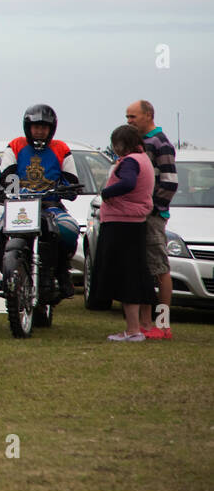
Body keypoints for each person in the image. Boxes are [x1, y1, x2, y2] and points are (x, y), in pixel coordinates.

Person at [0, 103, 82, 330]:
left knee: (70, 229)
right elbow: (7, 177)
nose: (40, 131)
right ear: (28, 127)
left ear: (52, 129)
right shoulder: (15, 146)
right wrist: (16, 192)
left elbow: (72, 182)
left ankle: (61, 271)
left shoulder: (62, 149)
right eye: (36, 127)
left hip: (50, 207)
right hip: (18, 208)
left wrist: (67, 190)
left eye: (44, 127)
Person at [125, 100, 179, 339]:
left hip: (153, 216)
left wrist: (152, 209)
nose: (129, 121)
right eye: (127, 117)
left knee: (160, 268)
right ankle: (146, 324)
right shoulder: (139, 143)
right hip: (138, 215)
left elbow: (169, 182)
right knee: (143, 269)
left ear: (148, 115)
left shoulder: (161, 143)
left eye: (133, 117)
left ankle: (164, 324)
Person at [97, 124, 155, 341]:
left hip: (121, 223)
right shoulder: (144, 159)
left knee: (126, 276)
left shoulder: (130, 161)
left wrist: (106, 193)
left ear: (121, 144)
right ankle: (145, 325)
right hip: (136, 222)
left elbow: (129, 183)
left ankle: (132, 330)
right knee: (139, 273)